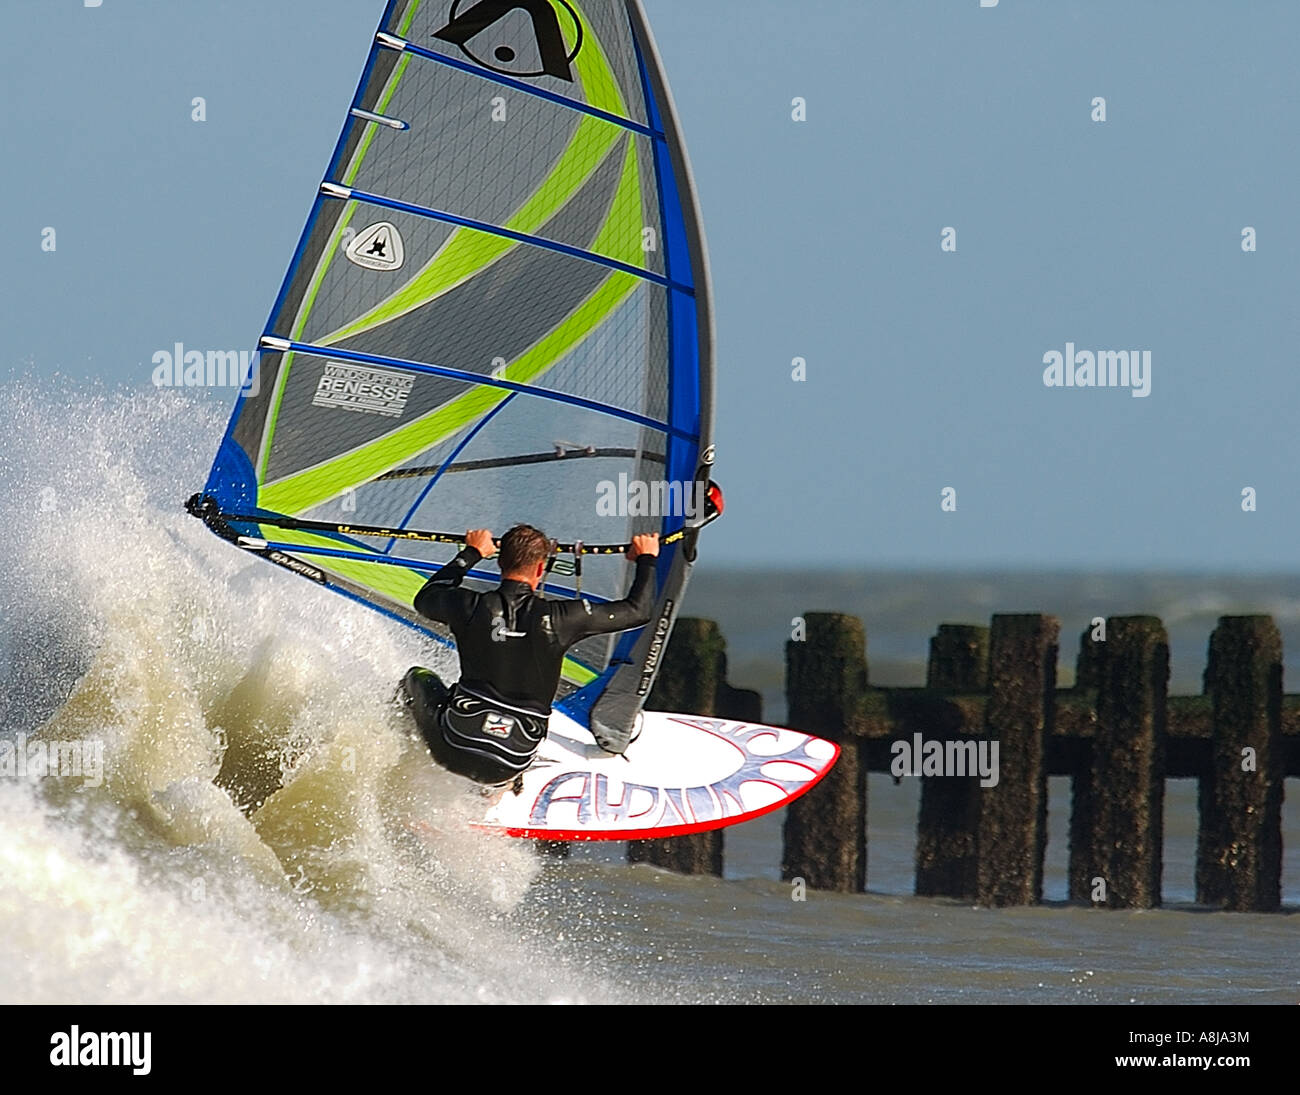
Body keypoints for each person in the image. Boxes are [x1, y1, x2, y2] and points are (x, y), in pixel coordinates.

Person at [400, 524, 660, 790]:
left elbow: (426, 598)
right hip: (510, 762)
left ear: (499, 562)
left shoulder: (470, 606)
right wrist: (647, 558)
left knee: (416, 678)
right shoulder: (563, 618)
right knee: (513, 737)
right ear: (540, 569)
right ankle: (506, 784)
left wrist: (472, 553)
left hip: (450, 747)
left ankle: (395, 749)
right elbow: (638, 610)